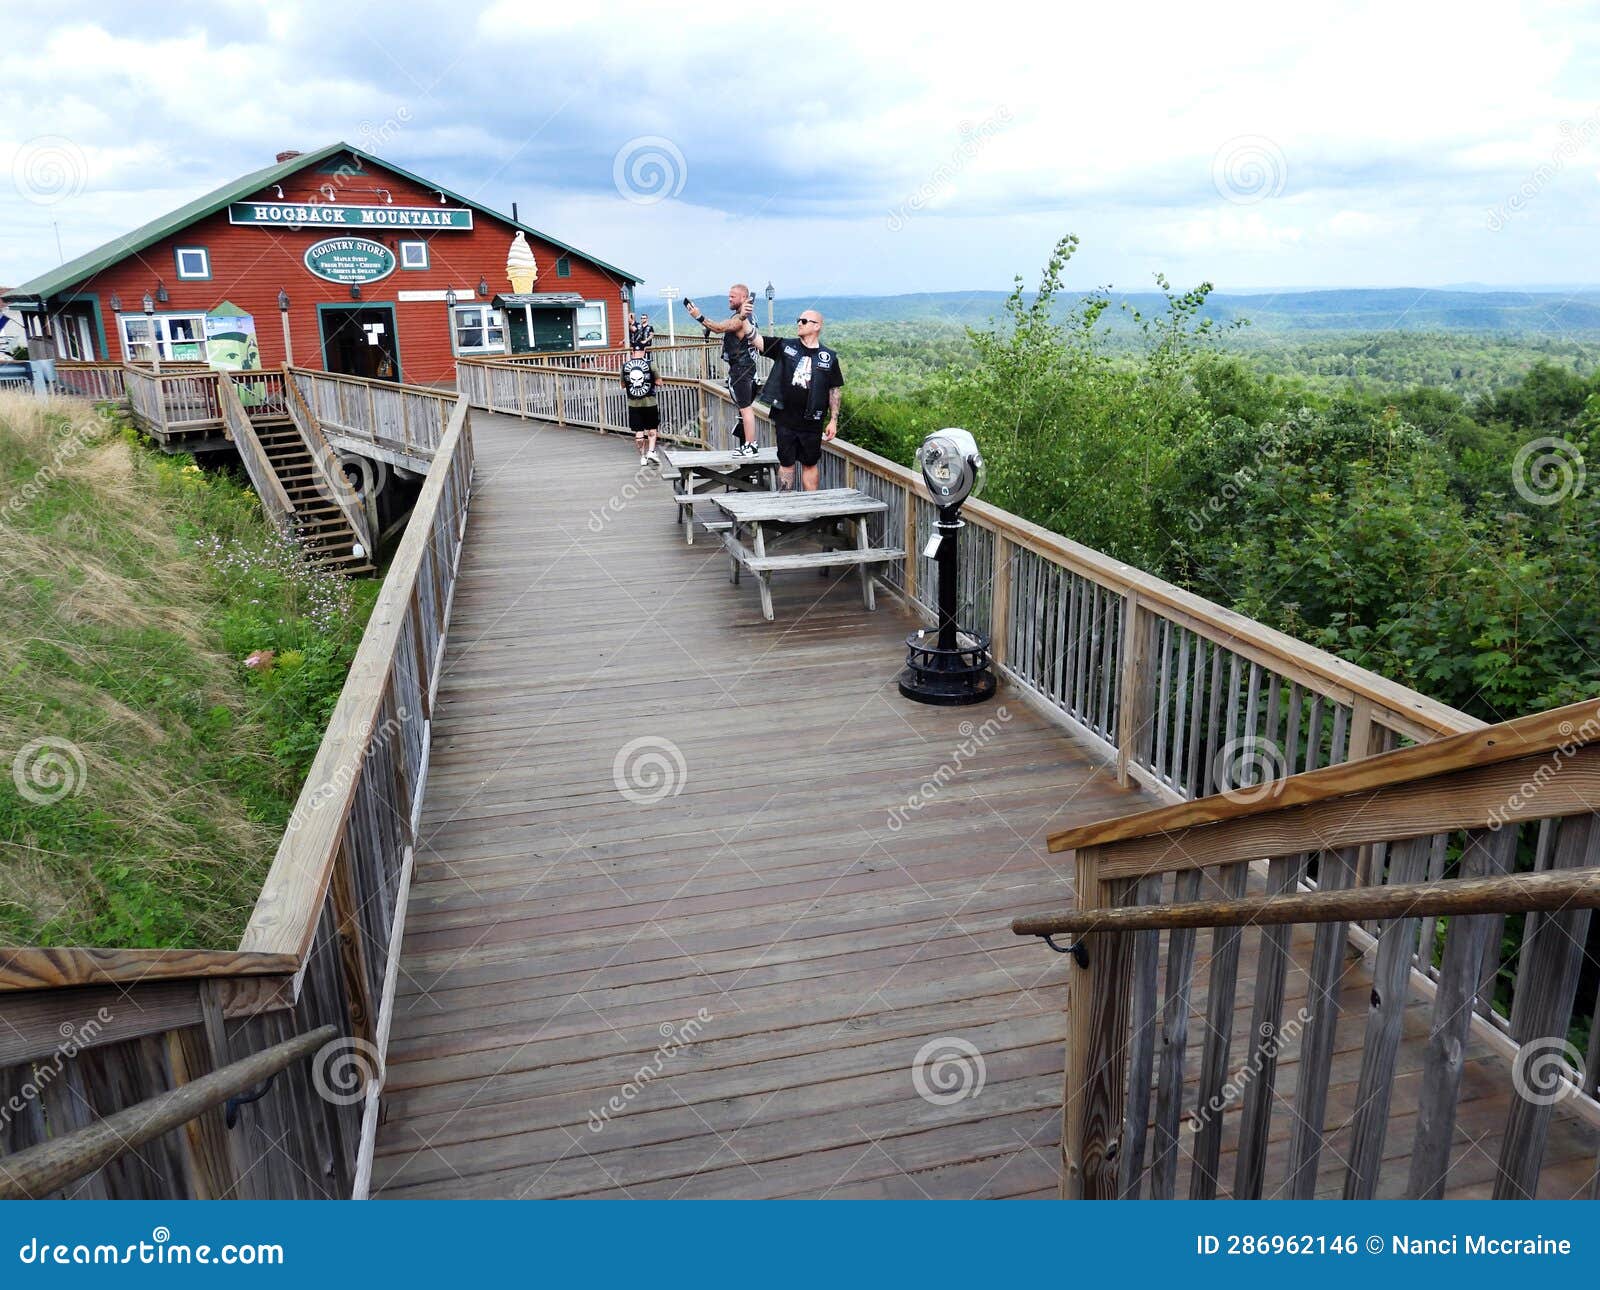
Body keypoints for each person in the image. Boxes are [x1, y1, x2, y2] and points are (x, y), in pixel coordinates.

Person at [750, 309, 842, 491]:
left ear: (817, 326)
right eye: (798, 320)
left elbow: (834, 390)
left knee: (810, 463)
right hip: (785, 418)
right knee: (786, 463)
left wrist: (833, 420)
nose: (799, 323)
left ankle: (812, 510)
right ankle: (787, 507)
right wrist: (744, 318)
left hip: (812, 422)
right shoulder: (785, 346)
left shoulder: (829, 357)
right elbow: (756, 340)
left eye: (804, 321)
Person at [684, 285, 758, 455]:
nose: (729, 299)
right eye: (729, 296)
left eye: (733, 297)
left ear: (743, 298)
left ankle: (751, 445)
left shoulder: (742, 319)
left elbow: (719, 328)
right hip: (744, 368)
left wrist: (699, 316)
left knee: (745, 408)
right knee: (743, 407)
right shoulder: (745, 317)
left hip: (742, 368)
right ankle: (748, 443)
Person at [620, 344, 660, 465]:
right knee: (652, 428)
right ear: (645, 351)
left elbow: (622, 385)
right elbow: (659, 382)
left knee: (639, 431)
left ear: (632, 351)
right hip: (650, 402)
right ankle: (651, 451)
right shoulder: (650, 364)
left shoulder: (625, 366)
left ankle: (642, 457)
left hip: (633, 403)